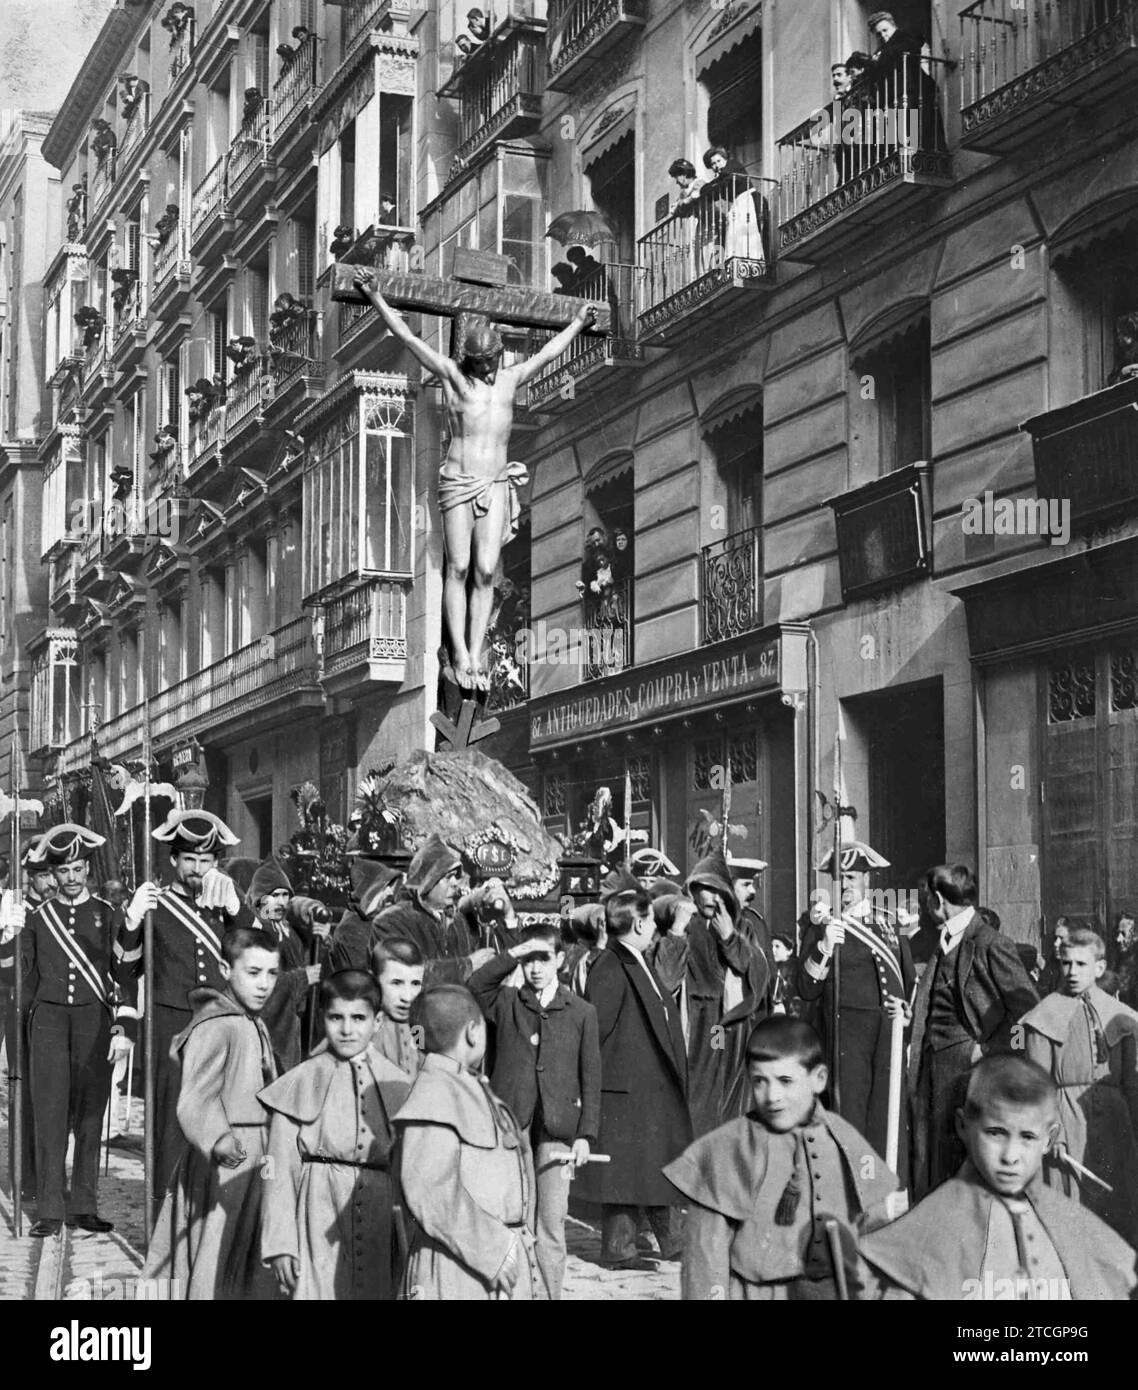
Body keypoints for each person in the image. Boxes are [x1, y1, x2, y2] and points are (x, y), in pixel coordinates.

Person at [352, 265, 598, 689]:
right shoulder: (454, 379)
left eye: (493, 361)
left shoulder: (509, 380)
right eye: (484, 362)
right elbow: (411, 341)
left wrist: (576, 323)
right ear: (473, 360)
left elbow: (548, 354)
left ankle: (476, 646)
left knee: (486, 571)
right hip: (458, 482)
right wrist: (377, 298)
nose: (490, 368)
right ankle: (462, 654)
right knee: (459, 567)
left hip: (496, 482)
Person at [862, 1055, 1136, 1300]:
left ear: (1049, 1140)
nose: (1010, 1156)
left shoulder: (1070, 1222)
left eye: (1027, 1137)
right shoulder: (933, 1224)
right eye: (995, 1133)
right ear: (963, 1126)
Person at [664, 1017, 900, 1300]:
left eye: (785, 1081)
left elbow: (877, 1236)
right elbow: (705, 1253)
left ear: (819, 1079)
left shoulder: (846, 1143)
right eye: (760, 1081)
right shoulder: (729, 1149)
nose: (772, 1095)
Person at [119, 809, 252, 1207]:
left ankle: (210, 1213)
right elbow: (124, 968)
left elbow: (258, 952)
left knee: (222, 1115)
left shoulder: (224, 905)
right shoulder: (156, 906)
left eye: (206, 861)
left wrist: (236, 908)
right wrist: (131, 919)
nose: (198, 870)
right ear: (174, 861)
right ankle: (164, 1217)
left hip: (219, 1025)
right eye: (190, 860)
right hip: (170, 1027)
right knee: (171, 1121)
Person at [10, 825, 137, 1237]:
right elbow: (19, 975)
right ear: (53, 872)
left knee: (89, 1113)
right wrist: (3, 937)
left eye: (78, 868)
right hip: (47, 1020)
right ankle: (49, 1206)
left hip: (93, 1021)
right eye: (63, 870)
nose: (71, 878)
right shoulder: (36, 916)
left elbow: (123, 972)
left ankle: (83, 1204)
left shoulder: (106, 913)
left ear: (87, 869)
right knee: (49, 1112)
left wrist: (123, 1024)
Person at [144, 926, 280, 1299]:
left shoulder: (253, 1022)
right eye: (253, 973)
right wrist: (218, 1137)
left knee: (246, 1253)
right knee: (214, 1250)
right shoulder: (217, 1025)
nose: (264, 984)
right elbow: (196, 1096)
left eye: (272, 974)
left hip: (256, 1158)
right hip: (225, 1158)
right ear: (225, 968)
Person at [260, 970, 413, 1300]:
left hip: (379, 1219)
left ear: (378, 1021)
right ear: (323, 1018)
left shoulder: (398, 1085)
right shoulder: (302, 1080)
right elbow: (274, 1169)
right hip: (317, 1211)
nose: (347, 1029)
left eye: (358, 1018)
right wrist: (280, 1241)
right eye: (336, 1018)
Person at [468, 922, 601, 1299]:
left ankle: (551, 1294)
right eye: (529, 960)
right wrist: (513, 952)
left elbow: (591, 1077)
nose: (535, 968)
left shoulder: (581, 1011)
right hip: (514, 1125)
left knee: (551, 1223)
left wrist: (586, 1136)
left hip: (558, 1129)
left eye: (543, 958)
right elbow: (476, 985)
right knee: (515, 1216)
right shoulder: (507, 1002)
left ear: (560, 959)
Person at [395, 985, 541, 1299]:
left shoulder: (464, 1083)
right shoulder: (435, 1091)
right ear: (473, 1032)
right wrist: (494, 1250)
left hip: (486, 1264)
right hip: (457, 1266)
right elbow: (430, 1191)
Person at [576, 886, 692, 1269]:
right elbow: (596, 1032)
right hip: (625, 1089)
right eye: (651, 922)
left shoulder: (632, 959)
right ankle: (619, 1251)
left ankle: (672, 1241)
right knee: (624, 1173)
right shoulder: (611, 966)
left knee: (654, 1163)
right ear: (640, 922)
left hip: (647, 1087)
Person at [908, 863, 1039, 1198]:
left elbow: (1027, 1012)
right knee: (931, 1158)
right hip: (931, 1066)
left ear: (938, 899)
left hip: (966, 1068)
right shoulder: (944, 941)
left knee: (959, 1161)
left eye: (926, 899)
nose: (924, 907)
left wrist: (992, 1051)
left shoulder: (990, 942)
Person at [797, 842, 914, 1169]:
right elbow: (806, 989)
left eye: (851, 878)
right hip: (846, 1034)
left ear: (867, 881)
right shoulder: (822, 925)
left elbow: (907, 982)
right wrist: (822, 946)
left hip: (887, 1032)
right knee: (851, 1113)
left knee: (887, 1114)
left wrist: (907, 1016)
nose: (845, 885)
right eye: (839, 879)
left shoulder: (889, 923)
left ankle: (889, 1192)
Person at [1021, 927, 1138, 1245]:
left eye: (1081, 964)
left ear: (1099, 968)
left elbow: (1132, 1084)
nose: (1072, 971)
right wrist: (1051, 1133)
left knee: (1118, 1209)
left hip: (1117, 1123)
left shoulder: (1123, 1018)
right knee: (1070, 1207)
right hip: (1067, 1121)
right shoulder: (1044, 1016)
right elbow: (1037, 1085)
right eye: (1066, 963)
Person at [652, 850, 758, 1136]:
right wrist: (677, 930)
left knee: (724, 1087)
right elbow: (666, 977)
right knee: (698, 1092)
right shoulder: (682, 925)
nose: (712, 898)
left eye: (717, 891)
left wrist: (728, 937)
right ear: (692, 892)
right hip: (693, 1020)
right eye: (705, 891)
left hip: (724, 1022)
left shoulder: (738, 926)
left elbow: (748, 966)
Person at [0, 837, 55, 1200]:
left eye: (55, 874)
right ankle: (27, 1178)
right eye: (44, 875)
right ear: (30, 877)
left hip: (58, 1015)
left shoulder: (69, 907)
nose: (52, 882)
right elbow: (5, 970)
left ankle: (51, 1176)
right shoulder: (17, 909)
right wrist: (7, 936)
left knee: (55, 1097)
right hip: (21, 1009)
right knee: (24, 1097)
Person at [369, 832, 495, 984]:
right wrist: (467, 966)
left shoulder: (459, 920)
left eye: (456, 876)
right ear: (428, 881)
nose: (456, 883)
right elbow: (408, 975)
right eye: (448, 877)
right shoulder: (390, 921)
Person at [245, 858, 328, 1071]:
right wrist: (301, 977)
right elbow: (260, 983)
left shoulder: (289, 931)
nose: (281, 902)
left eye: (285, 895)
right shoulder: (257, 932)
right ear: (260, 899)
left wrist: (321, 941)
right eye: (275, 895)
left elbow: (312, 968)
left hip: (291, 1026)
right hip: (268, 1029)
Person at [325, 857, 403, 974]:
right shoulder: (351, 929)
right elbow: (362, 980)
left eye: (390, 885)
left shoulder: (376, 920)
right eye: (385, 886)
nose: (390, 892)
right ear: (368, 890)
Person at [371, 937, 425, 1079]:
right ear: (374, 981)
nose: (407, 997)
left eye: (415, 984)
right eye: (396, 983)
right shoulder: (360, 1029)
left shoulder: (419, 1027)